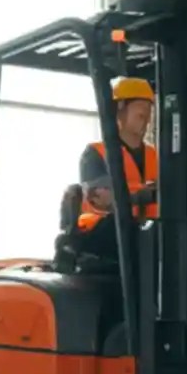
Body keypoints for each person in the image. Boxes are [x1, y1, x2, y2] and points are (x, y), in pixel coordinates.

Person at [76, 77, 158, 255]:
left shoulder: (155, 155)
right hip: (105, 237)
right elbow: (101, 197)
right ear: (119, 112)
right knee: (118, 229)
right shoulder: (95, 153)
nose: (146, 121)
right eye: (140, 115)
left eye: (149, 115)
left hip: (147, 233)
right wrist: (143, 194)